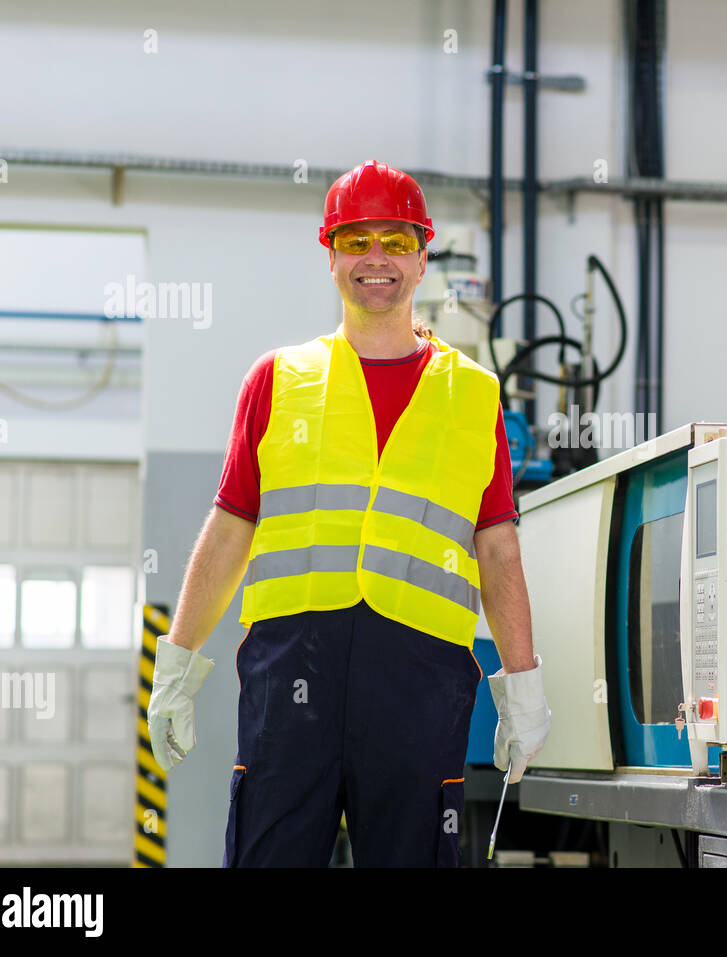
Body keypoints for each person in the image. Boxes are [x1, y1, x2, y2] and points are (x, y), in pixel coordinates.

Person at [145, 159, 551, 866]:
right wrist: (176, 662)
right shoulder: (277, 379)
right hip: (289, 675)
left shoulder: (475, 396)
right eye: (356, 238)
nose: (375, 258)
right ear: (330, 254)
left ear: (423, 258)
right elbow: (232, 525)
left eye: (395, 241)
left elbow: (498, 551)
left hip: (418, 681)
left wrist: (523, 683)